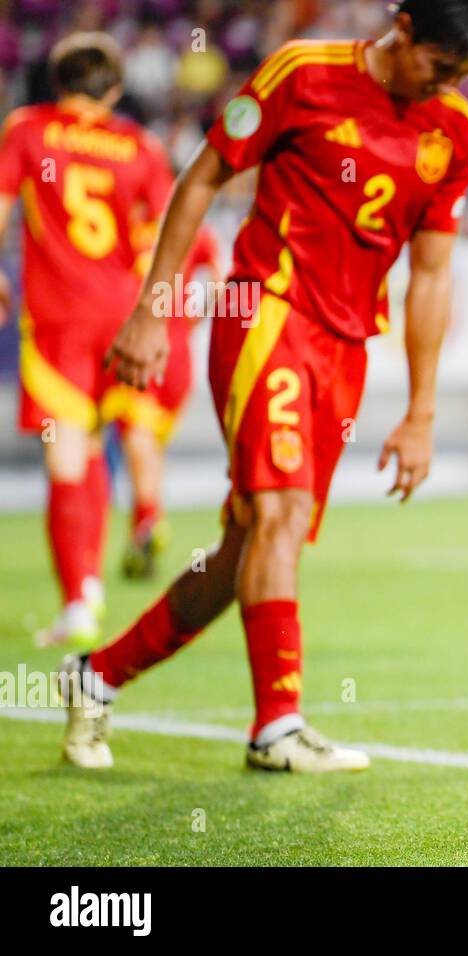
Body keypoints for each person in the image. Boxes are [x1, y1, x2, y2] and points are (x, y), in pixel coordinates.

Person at [59, 0, 468, 773]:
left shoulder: (455, 129)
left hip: (346, 345)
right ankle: (278, 726)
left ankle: (95, 676)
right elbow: (200, 182)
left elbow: (431, 276)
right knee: (282, 511)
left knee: (252, 544)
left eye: (463, 76)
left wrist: (421, 411)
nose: (448, 87)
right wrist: (153, 311)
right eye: (441, 67)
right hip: (265, 310)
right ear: (403, 29)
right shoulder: (302, 73)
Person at [0, 32, 174, 649]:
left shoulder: (28, 128)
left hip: (59, 319)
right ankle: (139, 525)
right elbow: (160, 239)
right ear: (116, 90)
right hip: (124, 318)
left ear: (56, 82)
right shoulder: (141, 146)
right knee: (113, 436)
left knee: (67, 453)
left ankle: (80, 600)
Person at [106, 224, 223, 579]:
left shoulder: (125, 221)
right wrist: (191, 319)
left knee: (137, 436)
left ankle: (147, 518)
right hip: (178, 353)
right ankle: (142, 535)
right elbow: (220, 282)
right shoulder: (198, 230)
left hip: (141, 344)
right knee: (151, 444)